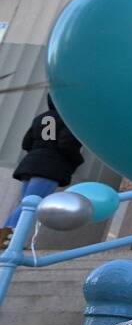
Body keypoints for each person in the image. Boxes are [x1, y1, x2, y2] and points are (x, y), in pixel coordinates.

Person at [1, 95, 84, 245]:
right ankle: (6, 240)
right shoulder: (68, 118)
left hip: (31, 163)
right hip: (50, 166)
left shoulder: (40, 118)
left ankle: (9, 239)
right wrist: (77, 160)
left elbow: (26, 143)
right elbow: (66, 144)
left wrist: (39, 151)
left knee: (25, 203)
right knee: (31, 205)